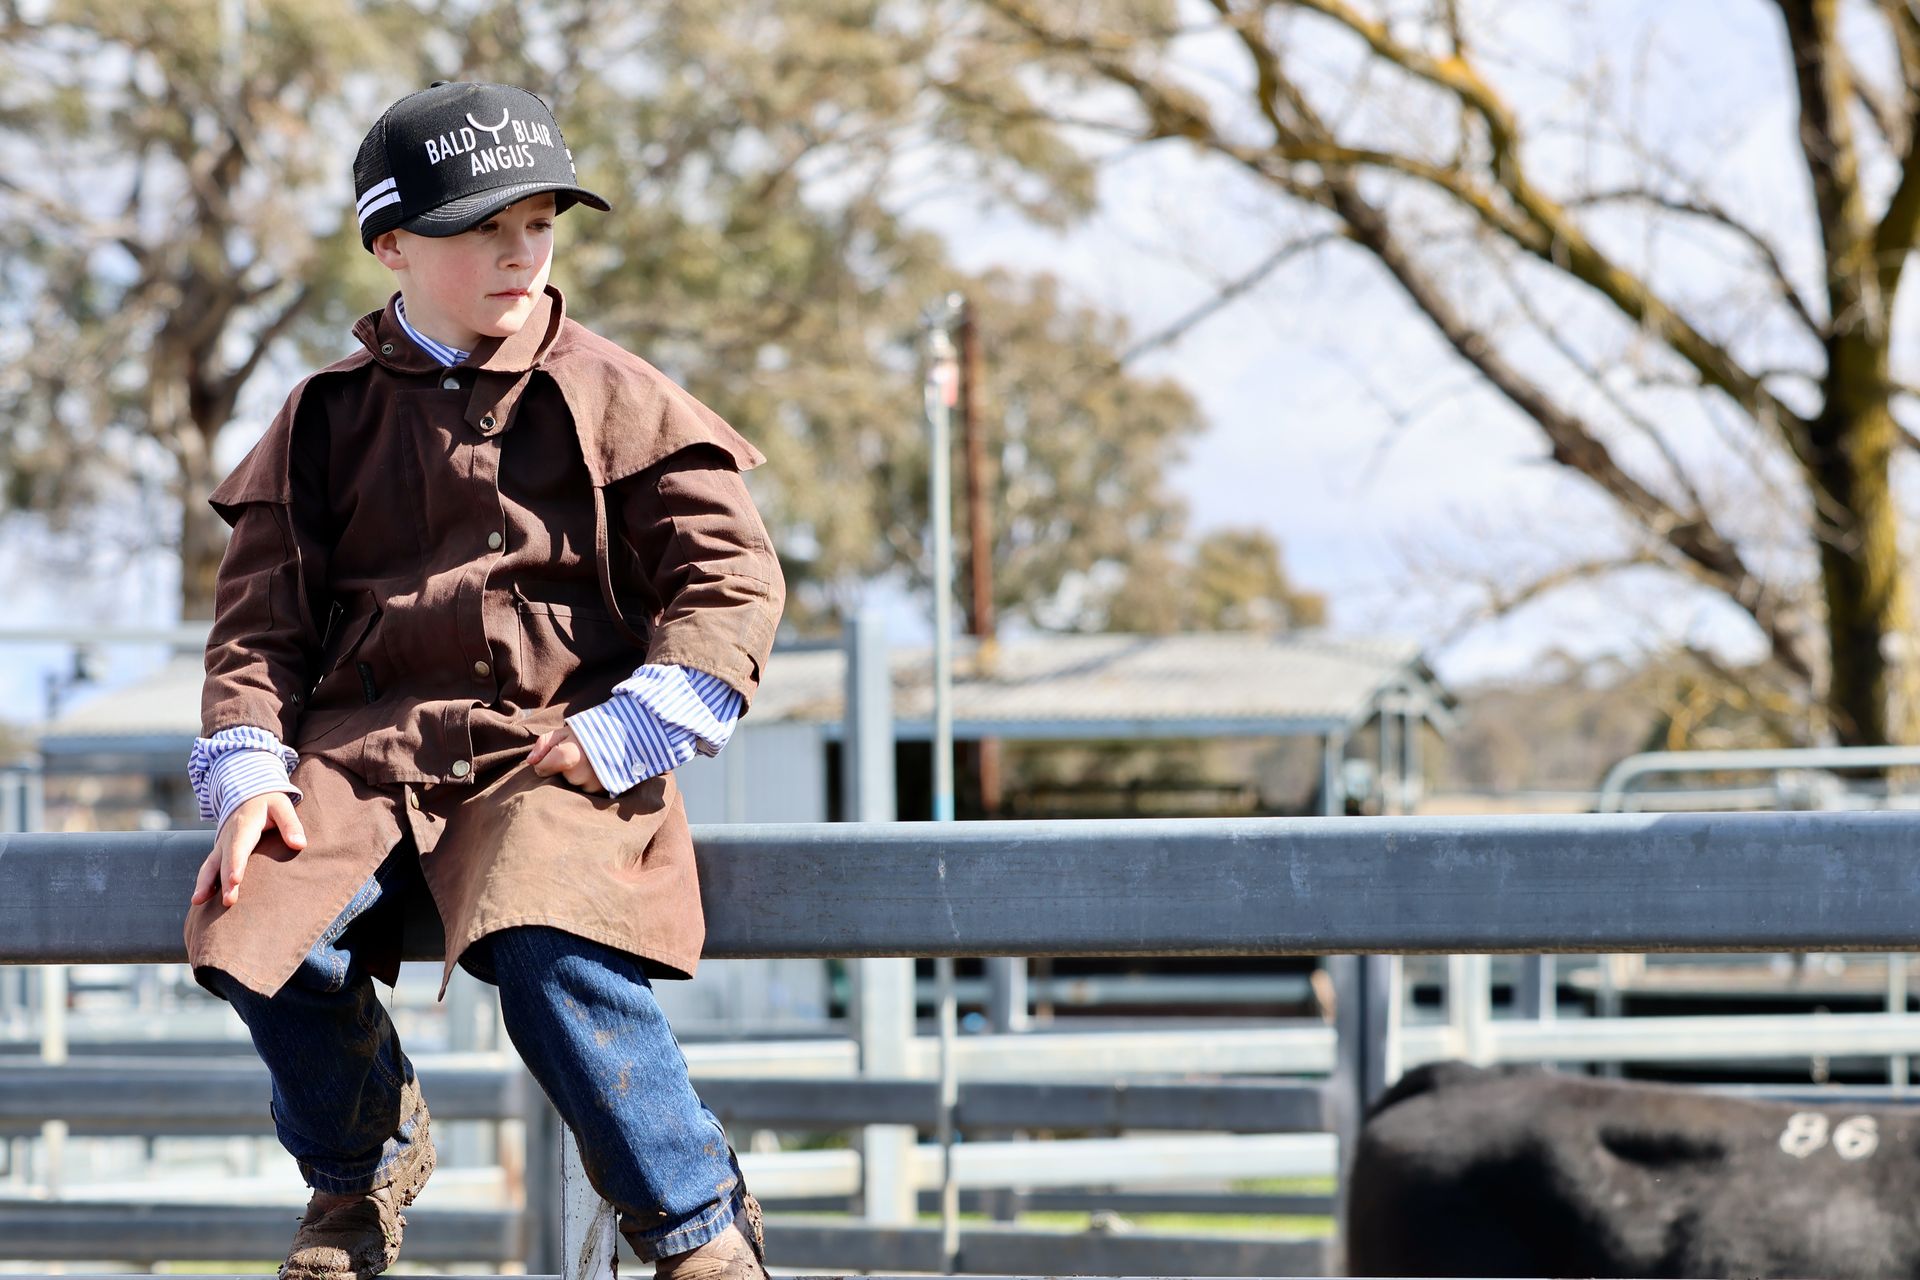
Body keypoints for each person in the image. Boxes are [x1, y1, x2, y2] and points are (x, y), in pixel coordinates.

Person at [183, 80, 784, 1280]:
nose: (520, 253)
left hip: (552, 750)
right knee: (256, 925)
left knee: (550, 939)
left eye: (541, 223)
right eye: (480, 229)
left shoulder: (623, 396)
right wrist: (249, 762)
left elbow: (729, 581)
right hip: (365, 755)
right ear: (392, 244)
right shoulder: (319, 420)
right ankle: (361, 1165)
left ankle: (695, 1222)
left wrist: (632, 728)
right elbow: (258, 625)